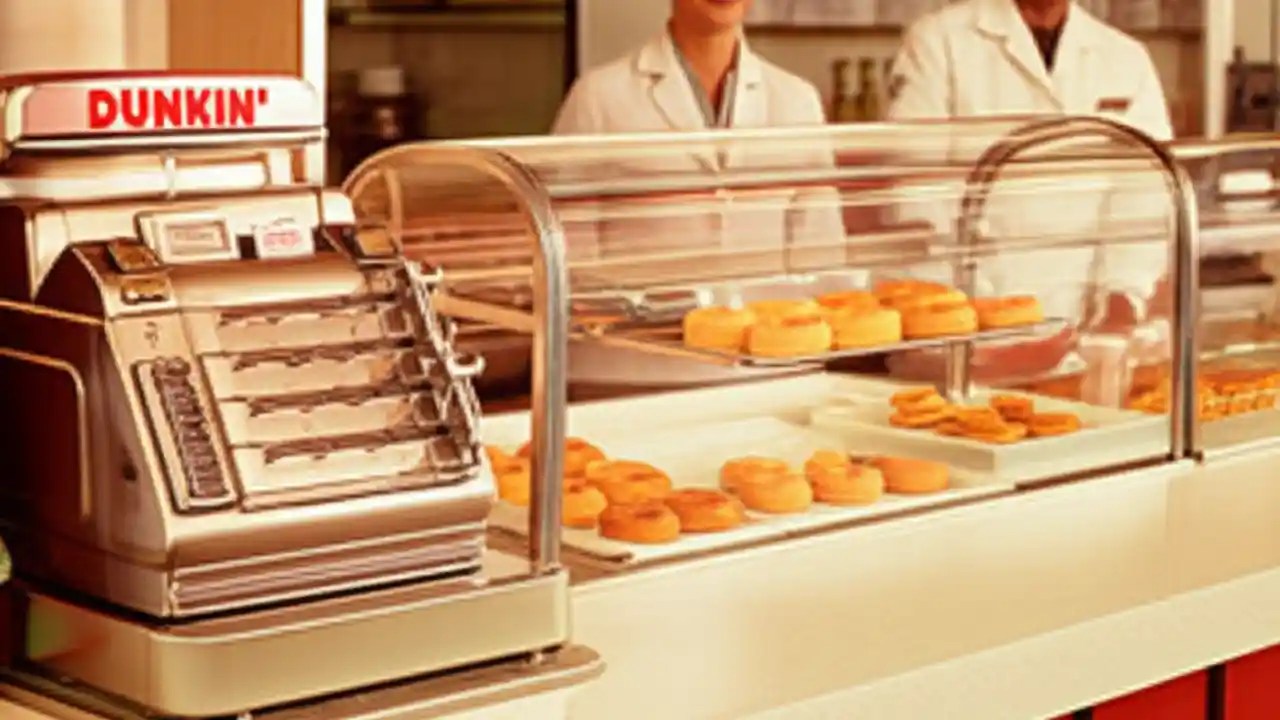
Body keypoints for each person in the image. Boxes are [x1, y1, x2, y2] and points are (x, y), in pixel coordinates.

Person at [547, 0, 851, 396]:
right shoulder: (599, 96)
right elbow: (566, 259)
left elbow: (823, 258)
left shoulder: (796, 100)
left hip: (769, 377)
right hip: (629, 376)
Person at [884, 0, 1175, 386]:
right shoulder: (940, 41)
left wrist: (1121, 304)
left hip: (1078, 341)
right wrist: (974, 322)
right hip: (965, 334)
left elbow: (1144, 196)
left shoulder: (1125, 58)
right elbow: (917, 195)